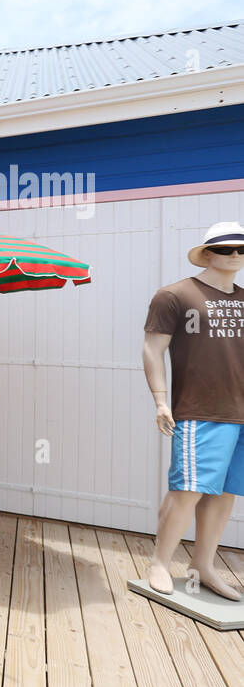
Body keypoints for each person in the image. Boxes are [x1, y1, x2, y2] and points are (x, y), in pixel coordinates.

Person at [142, 221, 244, 601]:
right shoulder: (174, 295)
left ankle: (203, 564)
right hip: (199, 408)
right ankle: (159, 562)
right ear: (207, 252)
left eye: (241, 249)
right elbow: (152, 350)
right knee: (186, 491)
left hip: (240, 411)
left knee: (225, 492)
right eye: (226, 248)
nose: (235, 255)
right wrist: (160, 399)